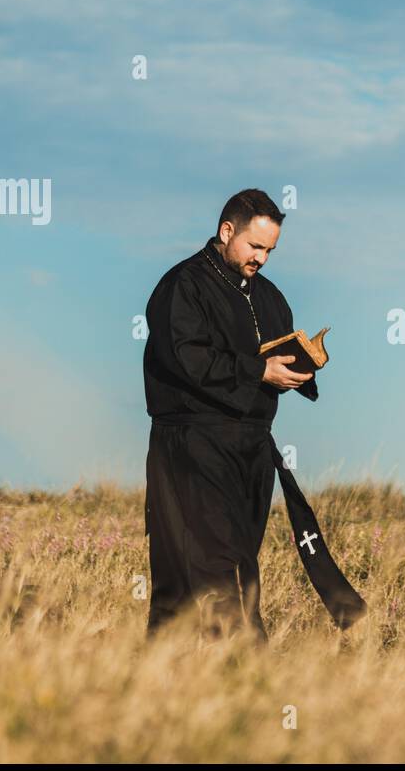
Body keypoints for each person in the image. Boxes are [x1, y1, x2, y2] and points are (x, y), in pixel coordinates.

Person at [141, 188, 366, 643]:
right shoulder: (182, 286)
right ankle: (246, 671)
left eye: (270, 250)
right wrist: (258, 369)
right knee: (208, 567)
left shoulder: (270, 297)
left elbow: (277, 359)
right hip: (191, 447)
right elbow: (186, 359)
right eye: (255, 246)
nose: (261, 258)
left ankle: (181, 680)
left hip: (251, 450)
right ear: (227, 231)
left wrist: (302, 370)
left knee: (242, 561)